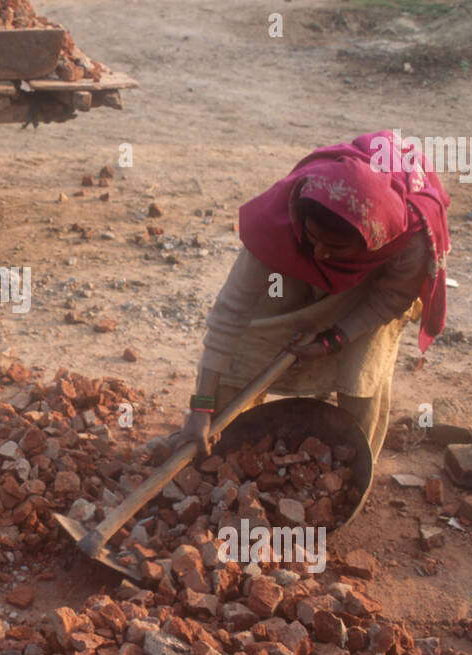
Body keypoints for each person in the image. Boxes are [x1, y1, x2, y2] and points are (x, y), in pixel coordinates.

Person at [153, 131, 451, 465]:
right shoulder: (278, 227)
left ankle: (348, 466)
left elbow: (389, 300)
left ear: (372, 239)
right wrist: (201, 407)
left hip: (370, 281)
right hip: (293, 262)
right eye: (315, 238)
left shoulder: (407, 243)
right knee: (247, 348)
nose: (322, 253)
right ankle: (224, 449)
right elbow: (230, 315)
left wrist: (334, 341)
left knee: (361, 370)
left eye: (335, 246)